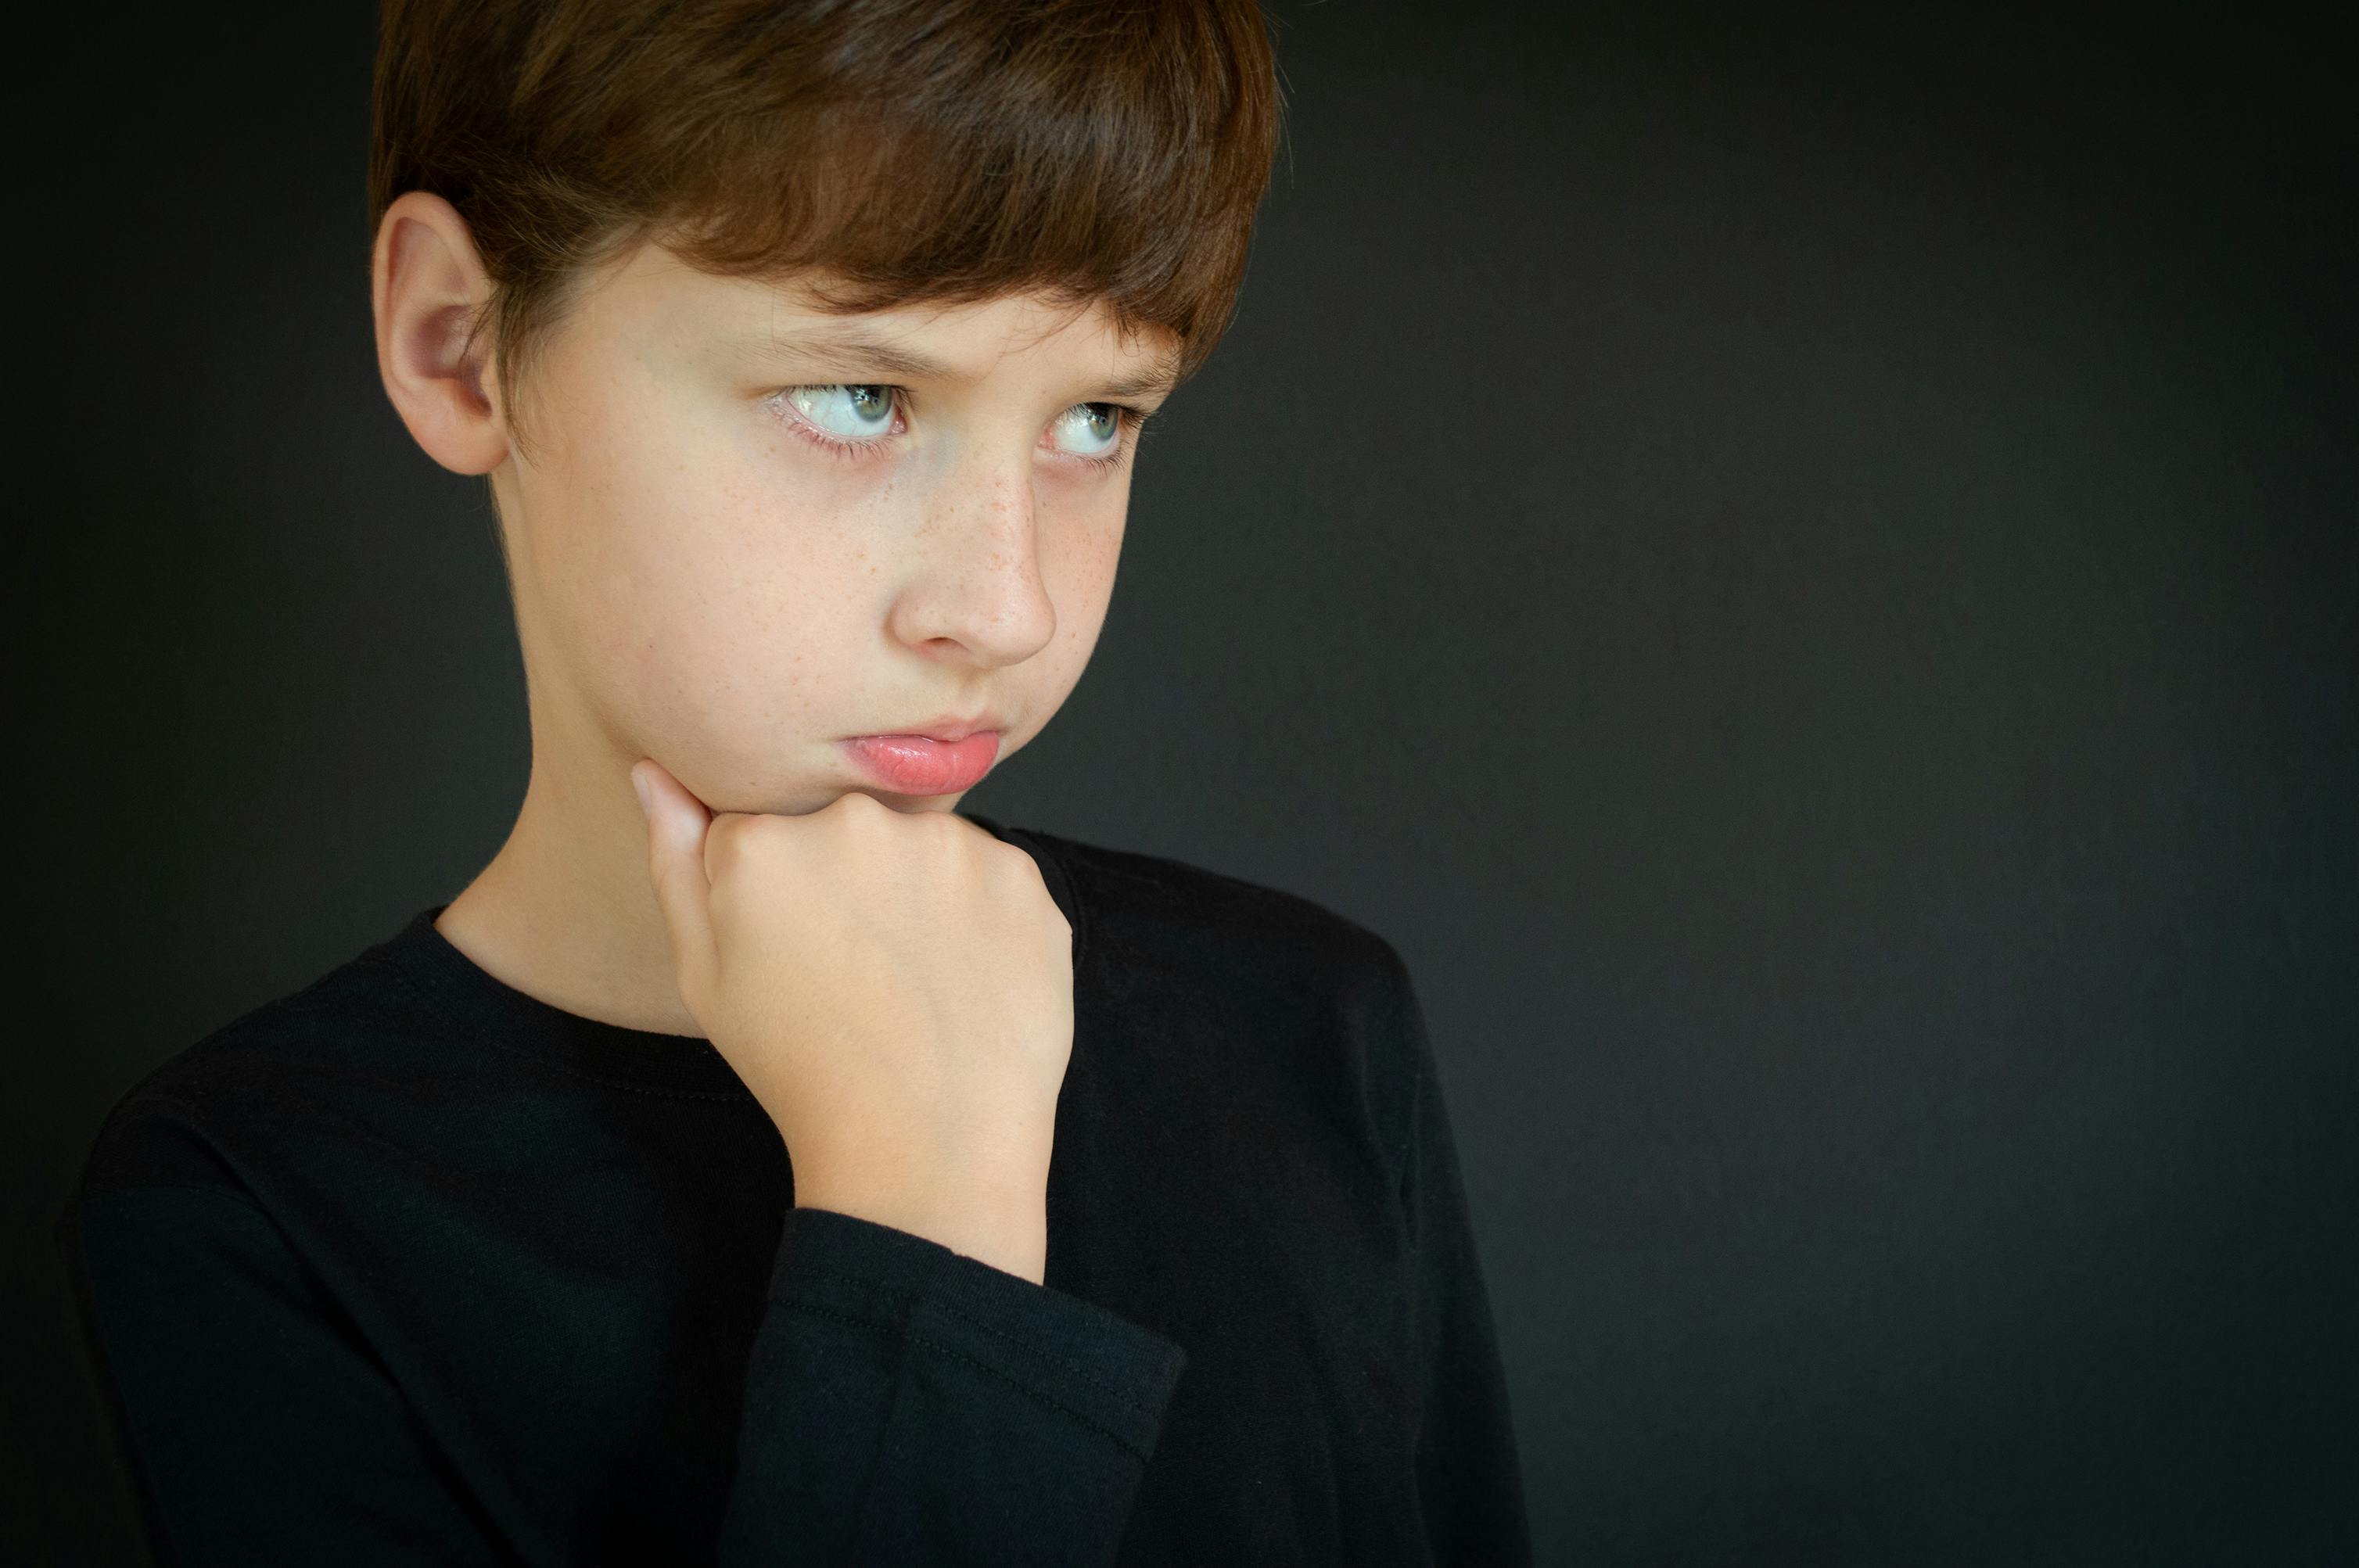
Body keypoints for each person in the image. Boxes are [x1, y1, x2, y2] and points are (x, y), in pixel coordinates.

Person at [53, 1, 1533, 1561]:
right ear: (461, 345)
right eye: (858, 398)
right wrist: (921, 1220)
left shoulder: (1305, 1029)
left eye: (1096, 419)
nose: (1003, 606)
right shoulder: (258, 1209)